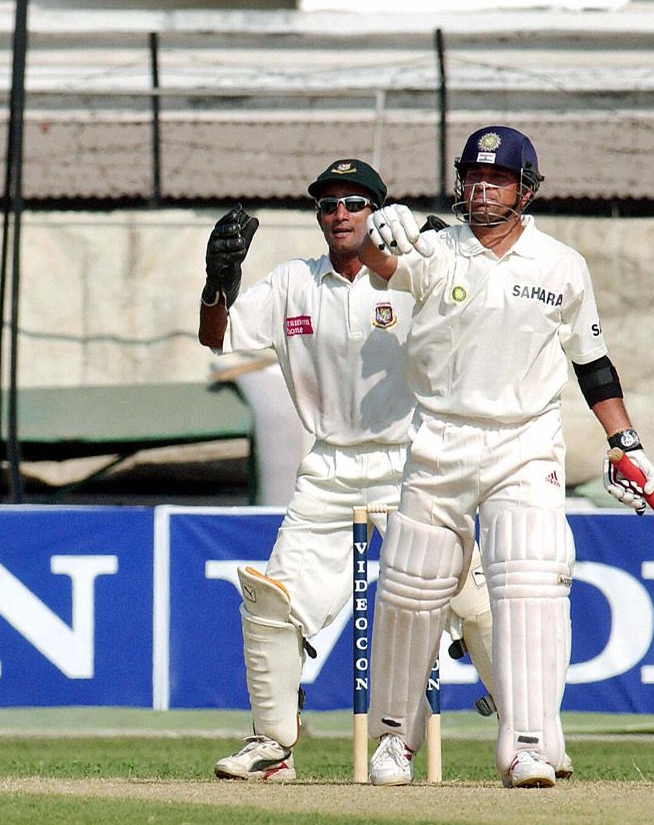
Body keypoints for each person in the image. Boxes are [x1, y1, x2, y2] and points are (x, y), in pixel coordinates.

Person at [357, 126, 654, 787]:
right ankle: (392, 742)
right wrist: (378, 229)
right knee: (410, 590)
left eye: (496, 180)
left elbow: (593, 363)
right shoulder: (433, 248)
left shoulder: (560, 264)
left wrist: (624, 439)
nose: (482, 189)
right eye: (472, 178)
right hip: (440, 437)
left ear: (526, 189)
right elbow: (374, 260)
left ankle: (526, 743)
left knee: (530, 582)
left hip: (525, 442)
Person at [199, 159, 501, 781]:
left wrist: (447, 252)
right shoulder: (293, 284)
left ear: (377, 212)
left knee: (472, 601)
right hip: (328, 465)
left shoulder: (411, 275)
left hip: (412, 462)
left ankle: (527, 733)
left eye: (354, 204)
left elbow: (478, 312)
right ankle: (271, 745)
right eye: (329, 205)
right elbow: (216, 338)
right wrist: (216, 280)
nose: (339, 214)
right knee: (271, 604)